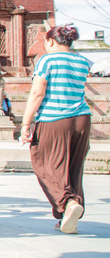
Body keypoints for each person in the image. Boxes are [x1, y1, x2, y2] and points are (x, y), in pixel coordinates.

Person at [21, 24, 91, 234]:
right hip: (82, 119)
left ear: (51, 41)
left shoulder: (48, 60)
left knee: (43, 162)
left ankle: (69, 203)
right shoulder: (82, 61)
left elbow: (37, 93)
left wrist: (25, 123)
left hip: (54, 119)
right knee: (73, 167)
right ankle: (67, 218)